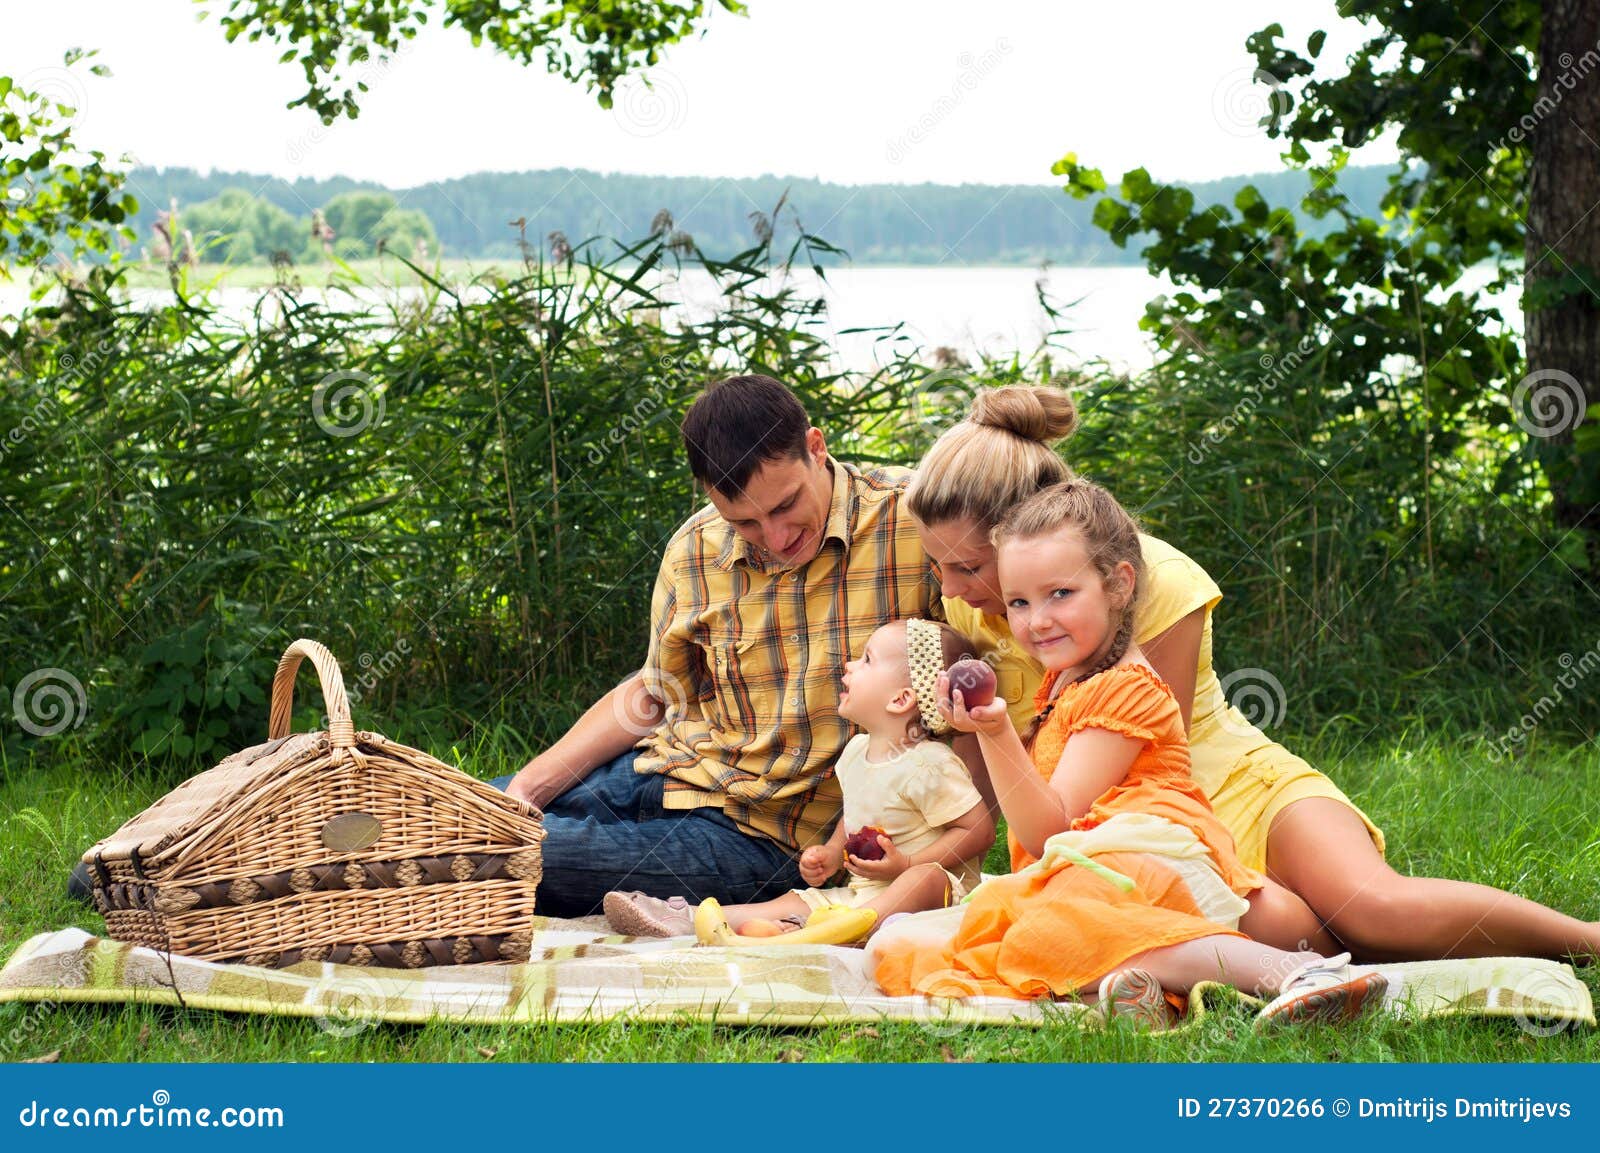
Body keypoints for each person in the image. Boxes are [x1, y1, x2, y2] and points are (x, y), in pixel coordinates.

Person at [906, 384, 1600, 962]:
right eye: (939, 564)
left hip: (1221, 794)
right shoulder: (989, 609)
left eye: (967, 566)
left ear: (1025, 532)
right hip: (1125, 840)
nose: (953, 587)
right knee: (1333, 944)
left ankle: (1586, 940)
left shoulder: (1157, 583)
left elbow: (1144, 769)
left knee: (1376, 911)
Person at [871, 478, 1389, 1028]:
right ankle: (1139, 991)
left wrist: (996, 734)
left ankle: (1294, 970)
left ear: (1118, 585)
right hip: (1094, 878)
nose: (1037, 619)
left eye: (1061, 594)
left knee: (1043, 933)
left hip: (1148, 870)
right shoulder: (1066, 682)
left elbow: (1046, 829)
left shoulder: (1124, 688)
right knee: (899, 944)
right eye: (1019, 601)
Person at [494, 374, 941, 916]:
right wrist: (526, 790)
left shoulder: (917, 521)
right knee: (449, 812)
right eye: (746, 522)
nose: (776, 538)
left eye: (785, 506)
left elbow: (979, 680)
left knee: (505, 857)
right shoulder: (695, 548)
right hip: (666, 770)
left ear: (816, 447)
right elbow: (655, 694)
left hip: (769, 838)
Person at [605, 619, 993, 939]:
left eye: (867, 660)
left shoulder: (929, 763)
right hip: (866, 895)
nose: (850, 666)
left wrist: (907, 863)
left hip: (940, 899)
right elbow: (856, 811)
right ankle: (690, 919)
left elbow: (978, 831)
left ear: (900, 700)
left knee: (924, 877)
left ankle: (813, 935)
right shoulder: (857, 751)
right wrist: (830, 851)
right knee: (795, 899)